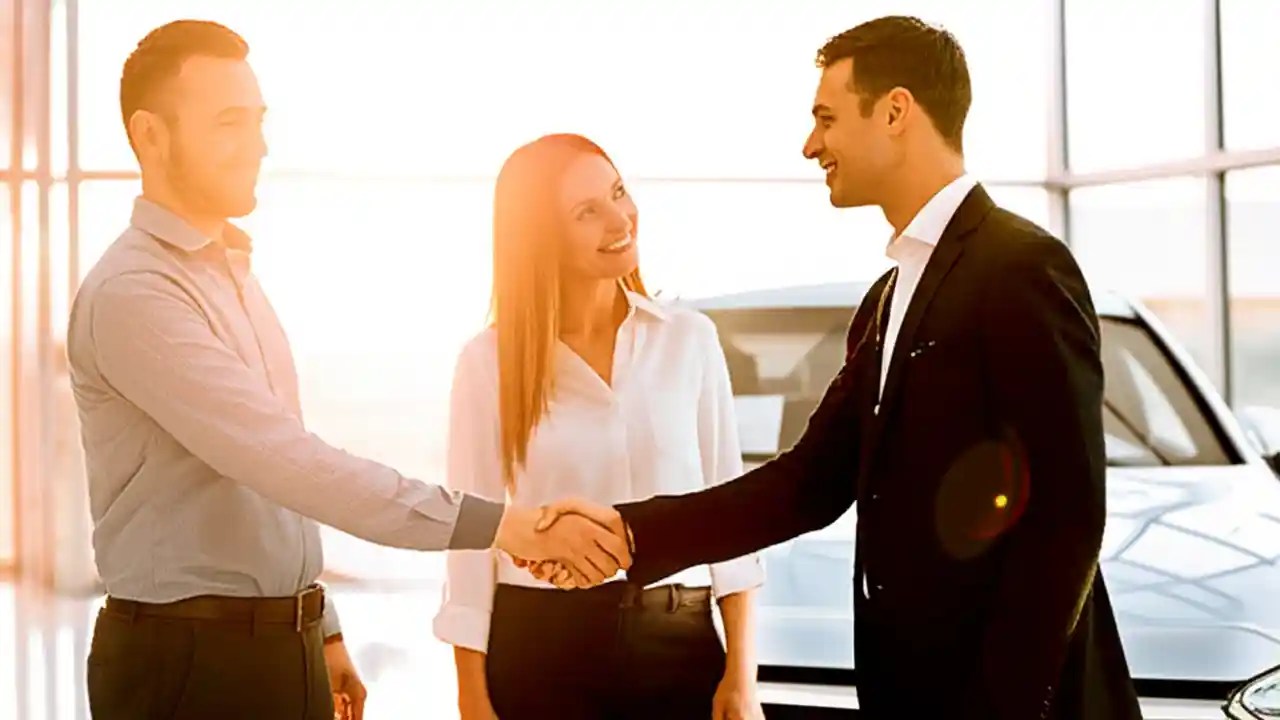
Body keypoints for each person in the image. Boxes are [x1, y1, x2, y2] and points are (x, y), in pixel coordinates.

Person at [532, 16, 1144, 720]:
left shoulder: (1021, 266)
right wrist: (627, 531)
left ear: (895, 112)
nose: (810, 144)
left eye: (826, 118)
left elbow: (1065, 518)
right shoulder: (887, 300)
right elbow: (807, 483)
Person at [67, 21, 626, 720]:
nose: (259, 146)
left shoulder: (230, 274)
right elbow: (286, 461)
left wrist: (318, 624)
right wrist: (504, 526)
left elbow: (272, 478)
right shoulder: (136, 295)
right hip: (190, 663)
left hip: (271, 644)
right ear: (149, 136)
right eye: (228, 123)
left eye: (259, 121)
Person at [433, 134, 766, 720]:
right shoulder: (489, 363)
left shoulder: (689, 341)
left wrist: (741, 677)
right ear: (541, 237)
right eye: (587, 211)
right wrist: (472, 697)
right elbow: (472, 538)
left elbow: (730, 521)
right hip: (539, 652)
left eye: (617, 193)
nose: (620, 219)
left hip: (681, 645)